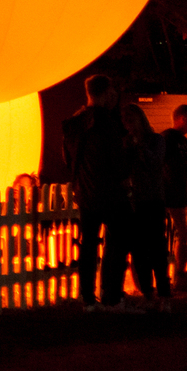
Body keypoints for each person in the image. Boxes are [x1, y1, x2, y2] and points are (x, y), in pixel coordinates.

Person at [61, 75, 130, 309]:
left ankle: (87, 297)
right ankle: (111, 293)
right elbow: (116, 159)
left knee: (88, 244)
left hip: (84, 191)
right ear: (105, 92)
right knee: (117, 242)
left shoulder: (73, 123)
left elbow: (68, 159)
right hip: (108, 191)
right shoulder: (106, 122)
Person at [120, 103, 171, 310]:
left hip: (153, 199)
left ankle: (165, 295)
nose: (128, 124)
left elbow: (156, 162)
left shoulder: (156, 140)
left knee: (157, 249)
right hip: (134, 201)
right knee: (138, 250)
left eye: (131, 119)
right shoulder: (124, 143)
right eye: (125, 120)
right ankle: (148, 293)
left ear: (141, 119)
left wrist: (140, 146)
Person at [161, 104, 187, 292]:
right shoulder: (168, 138)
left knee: (185, 236)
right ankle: (179, 275)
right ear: (183, 118)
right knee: (183, 233)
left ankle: (181, 275)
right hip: (173, 193)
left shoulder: (185, 143)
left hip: (186, 195)